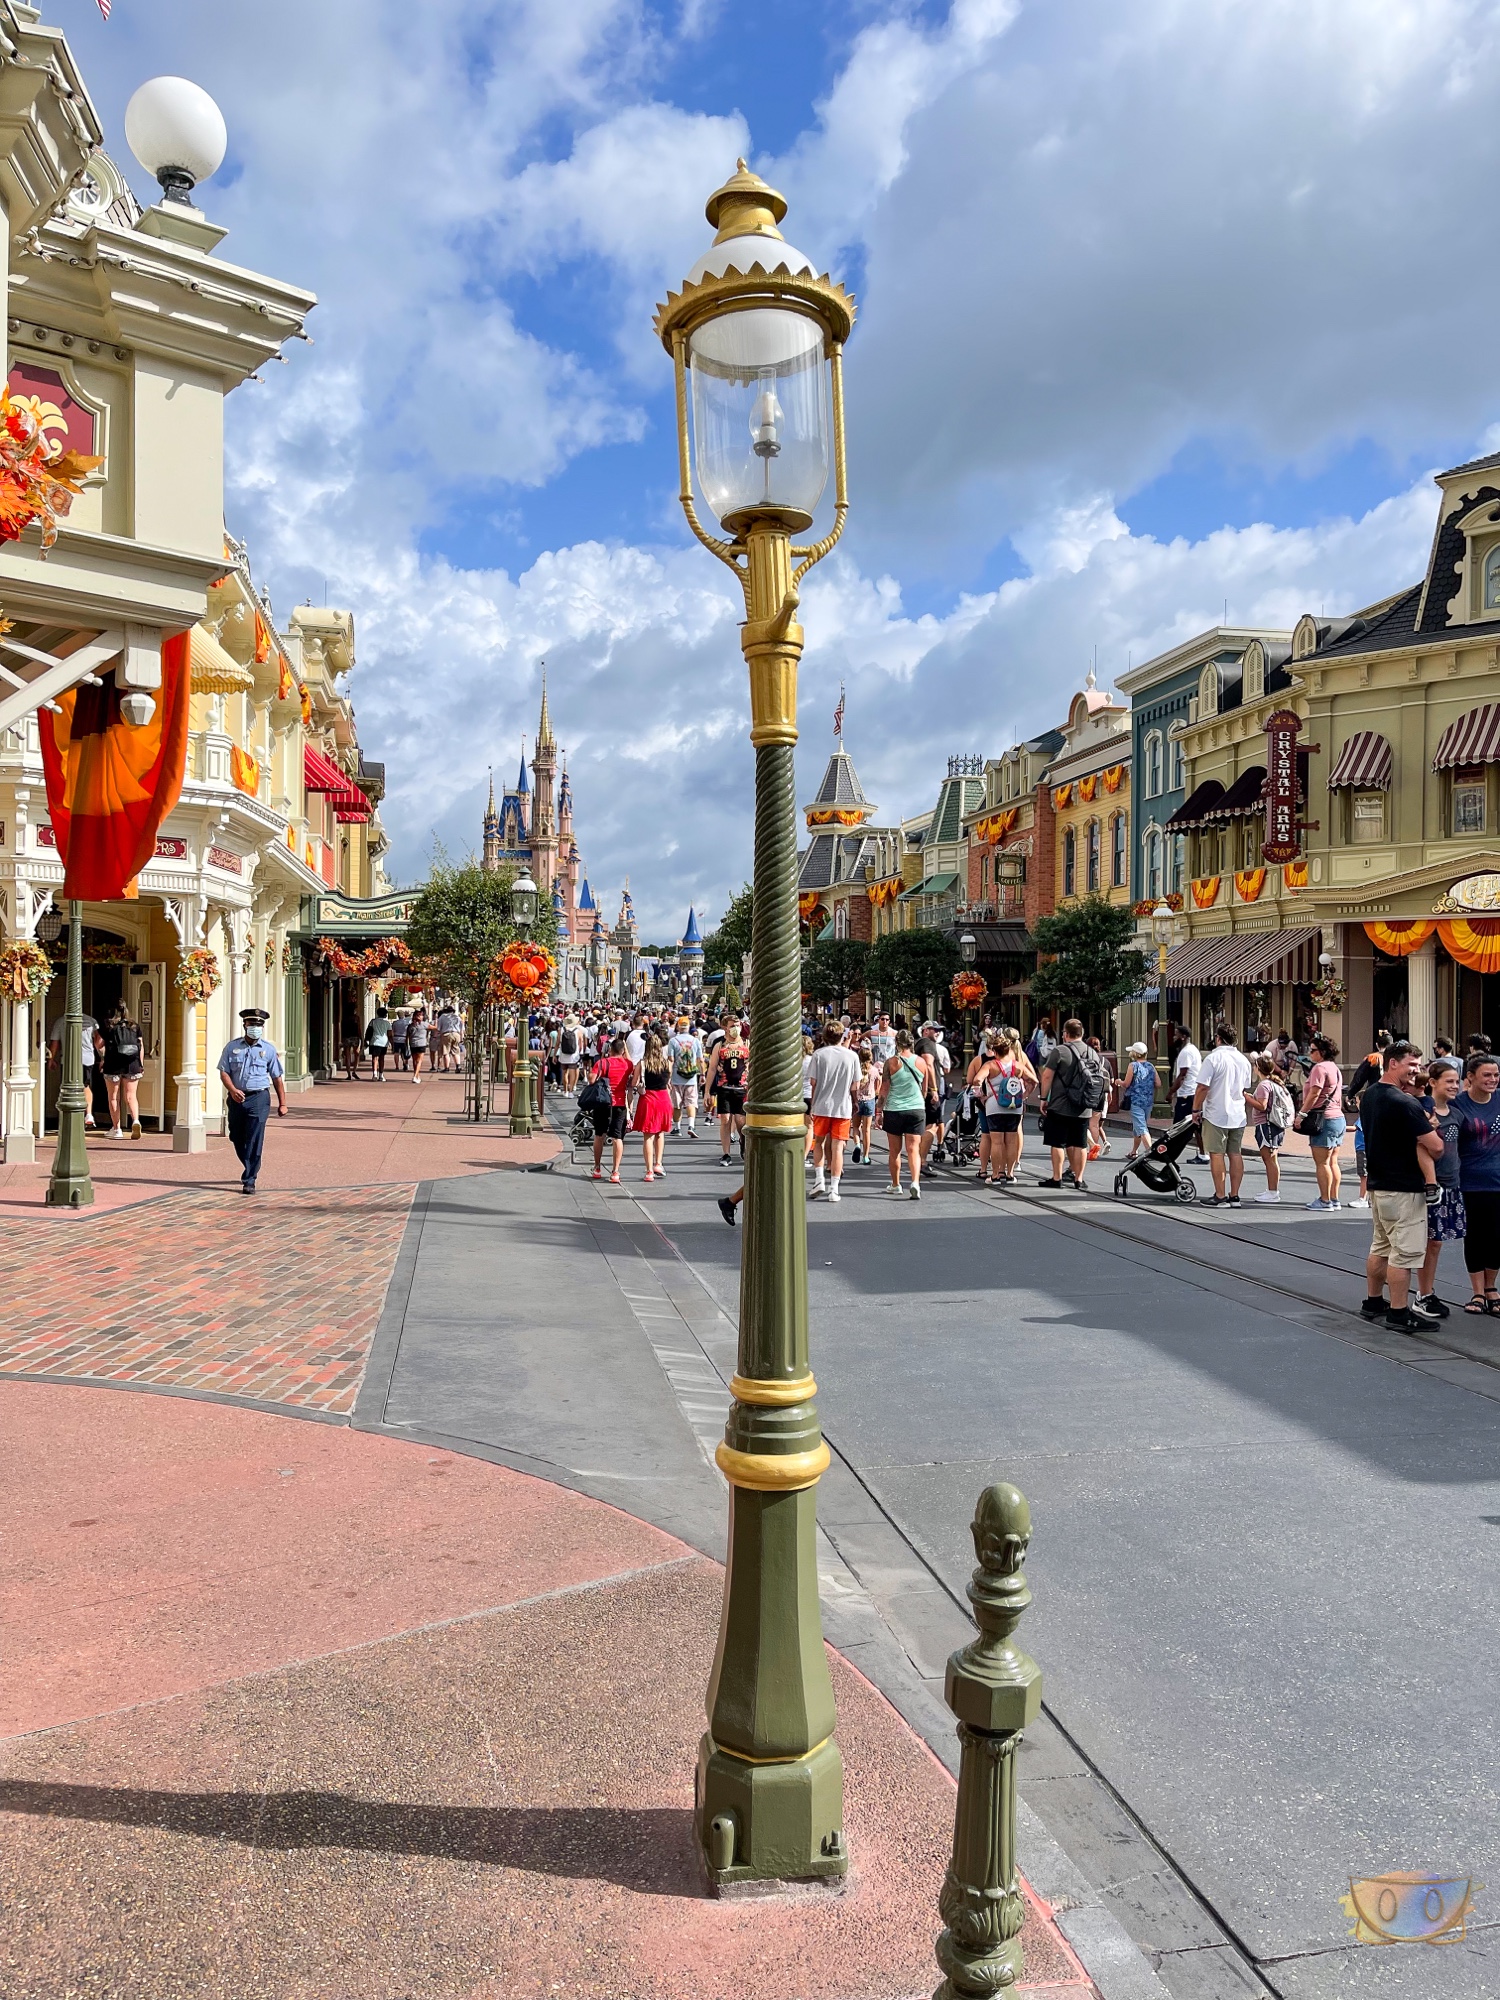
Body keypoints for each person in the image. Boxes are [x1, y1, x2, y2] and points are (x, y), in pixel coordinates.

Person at [1359, 1040, 1443, 1331]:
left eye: (1418, 1065)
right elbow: (1436, 1147)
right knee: (1403, 1255)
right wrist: (1431, 1131)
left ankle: (1373, 1301)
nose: (1415, 1070)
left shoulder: (1370, 1095)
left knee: (1380, 1246)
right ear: (1392, 1063)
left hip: (1379, 1185)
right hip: (1404, 1189)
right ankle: (1398, 1312)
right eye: (1411, 1064)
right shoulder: (1405, 1103)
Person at [216, 1007, 288, 1195]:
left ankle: (250, 1178)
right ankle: (249, 1164)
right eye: (251, 1024)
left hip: (259, 1097)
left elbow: (277, 1078)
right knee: (237, 1136)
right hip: (237, 1098)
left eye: (258, 1025)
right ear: (244, 1025)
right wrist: (232, 1090)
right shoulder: (232, 1047)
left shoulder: (268, 1050)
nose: (255, 1027)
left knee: (255, 1138)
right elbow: (224, 1072)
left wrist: (283, 1103)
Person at [1454, 1051, 1500, 1314]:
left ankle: (1492, 1286)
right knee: (1475, 1237)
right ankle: (1478, 1292)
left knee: (1497, 1236)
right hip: (1470, 1182)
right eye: (1487, 1075)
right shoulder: (1459, 1105)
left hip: (1498, 1181)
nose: (1492, 1079)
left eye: (1496, 1075)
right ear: (1470, 1077)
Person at [1417, 1056, 1463, 1318]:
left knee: (1436, 1243)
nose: (1454, 1086)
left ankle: (1426, 1292)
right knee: (1428, 1242)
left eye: (1457, 1082)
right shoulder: (1423, 1112)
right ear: (1433, 1082)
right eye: (1449, 1081)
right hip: (1430, 1187)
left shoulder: (1456, 1113)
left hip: (1452, 1183)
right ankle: (1423, 1294)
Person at [1037, 1019, 1103, 1191]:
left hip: (1060, 1104)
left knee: (1058, 1142)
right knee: (1079, 1143)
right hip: (1083, 1105)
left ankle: (1057, 1178)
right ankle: (1079, 1179)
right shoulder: (1092, 1052)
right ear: (1082, 1034)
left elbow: (1046, 1076)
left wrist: (1044, 1098)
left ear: (1065, 1034)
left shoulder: (1060, 1051)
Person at [1193, 1023, 1253, 1206]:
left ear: (1218, 1038)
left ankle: (1220, 1195)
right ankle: (1234, 1195)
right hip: (1237, 1113)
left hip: (1217, 1112)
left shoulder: (1213, 1058)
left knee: (1217, 1154)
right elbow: (1244, 1087)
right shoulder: (1243, 1059)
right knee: (1235, 1153)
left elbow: (1203, 1086)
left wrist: (1196, 1109)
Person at [806, 1020, 862, 1202]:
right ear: (842, 1036)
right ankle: (834, 1189)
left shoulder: (818, 1055)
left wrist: (813, 1104)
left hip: (822, 1106)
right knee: (838, 1147)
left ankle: (819, 1179)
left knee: (819, 1143)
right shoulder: (851, 1056)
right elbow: (855, 1085)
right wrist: (855, 1102)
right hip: (842, 1107)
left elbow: (813, 1083)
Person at [877, 1027, 933, 1200]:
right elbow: (925, 1090)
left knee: (894, 1151)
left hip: (894, 1109)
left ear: (897, 1043)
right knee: (913, 1149)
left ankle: (895, 1185)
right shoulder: (922, 1062)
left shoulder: (891, 1063)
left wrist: (878, 1111)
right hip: (916, 1109)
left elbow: (884, 1090)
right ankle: (915, 1182)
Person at [1300, 1032, 1346, 1210]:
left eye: (1312, 1050)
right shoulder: (1334, 1068)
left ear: (1322, 1052)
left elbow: (1314, 1092)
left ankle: (1325, 1200)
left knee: (1322, 1162)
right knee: (1333, 1161)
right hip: (1337, 1117)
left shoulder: (1319, 1068)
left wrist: (1302, 1113)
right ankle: (1334, 1198)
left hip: (1323, 1118)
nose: (1310, 1053)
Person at [983, 1029, 1034, 1185]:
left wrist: (982, 1096)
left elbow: (976, 1080)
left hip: (995, 1104)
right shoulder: (1019, 1061)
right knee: (1011, 1140)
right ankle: (1011, 1174)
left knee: (997, 1142)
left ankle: (996, 1174)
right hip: (1015, 1104)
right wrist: (1024, 1095)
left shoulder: (991, 1064)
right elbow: (1034, 1080)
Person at [1245, 1052, 1294, 1202]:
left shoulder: (1264, 1085)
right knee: (1271, 1159)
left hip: (1267, 1125)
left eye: (1255, 1066)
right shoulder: (1273, 1083)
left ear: (1258, 1068)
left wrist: (1246, 1097)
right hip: (1271, 1125)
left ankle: (1273, 1192)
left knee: (1270, 1159)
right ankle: (1271, 1189)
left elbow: (1262, 1106)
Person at [588, 1034, 633, 1183]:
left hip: (602, 1102)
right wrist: (624, 1047)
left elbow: (591, 1079)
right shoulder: (628, 1064)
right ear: (622, 1050)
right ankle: (615, 1172)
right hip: (619, 1104)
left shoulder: (602, 1063)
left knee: (599, 1135)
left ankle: (597, 1167)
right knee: (617, 1138)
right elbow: (630, 1061)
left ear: (610, 1049)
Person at [48, 1006, 101, 1129]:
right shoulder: (91, 1021)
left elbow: (54, 1043)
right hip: (87, 1059)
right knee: (85, 1086)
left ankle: (68, 1116)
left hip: (67, 1060)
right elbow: (98, 1040)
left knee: (67, 1087)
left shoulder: (60, 1021)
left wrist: (51, 1059)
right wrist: (102, 1057)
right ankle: (88, 1114)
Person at [99, 999, 145, 1139]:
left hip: (113, 1064)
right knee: (131, 1096)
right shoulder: (134, 1026)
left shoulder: (108, 1026)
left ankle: (116, 1129)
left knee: (113, 1097)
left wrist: (103, 1057)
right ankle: (135, 1121)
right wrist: (140, 1064)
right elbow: (141, 1046)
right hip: (132, 1064)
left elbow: (99, 1044)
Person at [631, 1031, 674, 1181]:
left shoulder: (642, 1064)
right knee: (660, 1133)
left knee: (648, 1136)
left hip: (648, 1099)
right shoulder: (667, 1063)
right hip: (663, 1099)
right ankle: (658, 1163)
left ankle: (649, 1171)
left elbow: (634, 1083)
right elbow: (668, 1081)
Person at [705, 1018, 748, 1165]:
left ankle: (743, 1140)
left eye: (737, 1025)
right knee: (725, 1119)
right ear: (725, 1028)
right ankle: (726, 1153)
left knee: (740, 1120)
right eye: (732, 1026)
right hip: (724, 1087)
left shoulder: (747, 1045)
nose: (735, 1028)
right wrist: (707, 1091)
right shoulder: (720, 1045)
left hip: (742, 1088)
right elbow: (711, 1069)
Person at [1171, 1028, 1206, 1163]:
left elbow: (1182, 1075)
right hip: (1191, 1092)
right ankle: (1203, 1154)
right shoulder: (1192, 1050)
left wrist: (1171, 1092)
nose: (1174, 1037)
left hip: (1187, 1093)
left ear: (1183, 1037)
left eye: (1176, 1035)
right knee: (1196, 1125)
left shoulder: (1186, 1052)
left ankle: (1170, 1153)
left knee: (1178, 1125)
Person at [666, 1016, 704, 1137]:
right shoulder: (695, 1041)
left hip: (677, 1077)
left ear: (678, 1027)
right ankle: (691, 1125)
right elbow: (700, 1060)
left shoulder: (673, 1041)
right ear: (688, 1027)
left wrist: (668, 1077)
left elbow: (671, 1060)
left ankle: (677, 1128)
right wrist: (702, 1074)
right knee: (691, 1102)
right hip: (691, 1076)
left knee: (677, 1104)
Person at [1121, 1041, 1157, 1163]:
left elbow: (1126, 1083)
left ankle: (1150, 1151)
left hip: (1136, 1100)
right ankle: (1134, 1151)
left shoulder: (1133, 1066)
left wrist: (1118, 1082)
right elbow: (1158, 1083)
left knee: (1141, 1128)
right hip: (1148, 1100)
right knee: (1138, 1126)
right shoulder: (1151, 1066)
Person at [853, 1039, 877, 1166]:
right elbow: (878, 1086)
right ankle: (866, 1156)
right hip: (869, 1101)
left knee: (856, 1127)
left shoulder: (856, 1070)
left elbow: (852, 1086)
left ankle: (857, 1145)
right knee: (867, 1130)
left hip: (857, 1101)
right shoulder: (874, 1070)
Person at [363, 1005, 392, 1081]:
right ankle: (381, 1075)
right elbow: (390, 1035)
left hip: (374, 1041)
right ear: (385, 1015)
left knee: (375, 1058)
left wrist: (366, 1040)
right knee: (382, 1059)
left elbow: (368, 1032)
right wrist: (392, 1044)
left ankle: (374, 1074)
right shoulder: (387, 1023)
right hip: (384, 1042)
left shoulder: (373, 1022)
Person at [558, 1013, 582, 1097]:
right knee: (572, 1073)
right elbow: (581, 1044)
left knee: (564, 1073)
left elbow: (558, 1043)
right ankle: (571, 1091)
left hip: (563, 1054)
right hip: (573, 1055)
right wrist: (580, 1053)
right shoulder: (577, 1031)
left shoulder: (561, 1030)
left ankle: (565, 1090)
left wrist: (554, 1055)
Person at [407, 1007, 430, 1078]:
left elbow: (407, 1036)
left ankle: (416, 1074)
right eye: (421, 1015)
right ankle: (415, 1075)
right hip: (421, 1044)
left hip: (413, 1044)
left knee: (414, 1060)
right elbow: (435, 1028)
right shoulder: (424, 1024)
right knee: (419, 1061)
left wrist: (406, 1044)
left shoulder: (410, 1025)